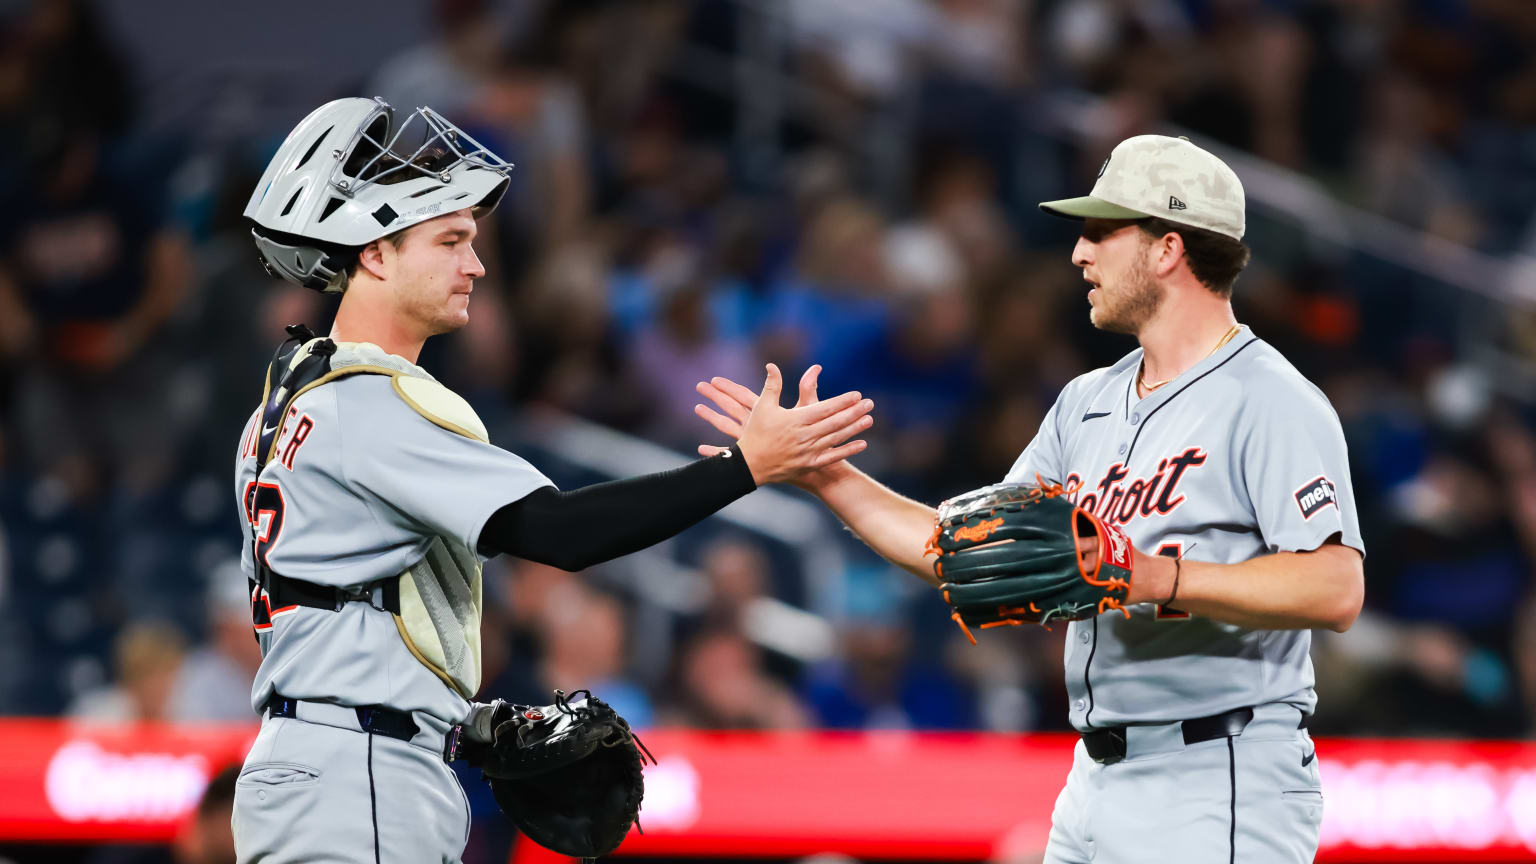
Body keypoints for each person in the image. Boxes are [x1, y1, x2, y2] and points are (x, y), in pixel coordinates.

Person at [232, 96, 872, 864]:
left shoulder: (291, 400)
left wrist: (456, 719)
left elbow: (343, 607)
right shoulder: (373, 400)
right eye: (451, 239)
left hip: (322, 759)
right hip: (358, 771)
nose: (475, 263)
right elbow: (557, 532)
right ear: (373, 253)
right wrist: (748, 467)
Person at [695, 134, 1365, 863]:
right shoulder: (1087, 403)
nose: (1080, 253)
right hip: (1093, 779)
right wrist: (821, 473)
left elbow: (1335, 587)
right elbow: (959, 548)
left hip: (1217, 771)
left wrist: (1154, 576)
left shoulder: (1267, 397)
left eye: (1103, 231)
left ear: (1169, 249)